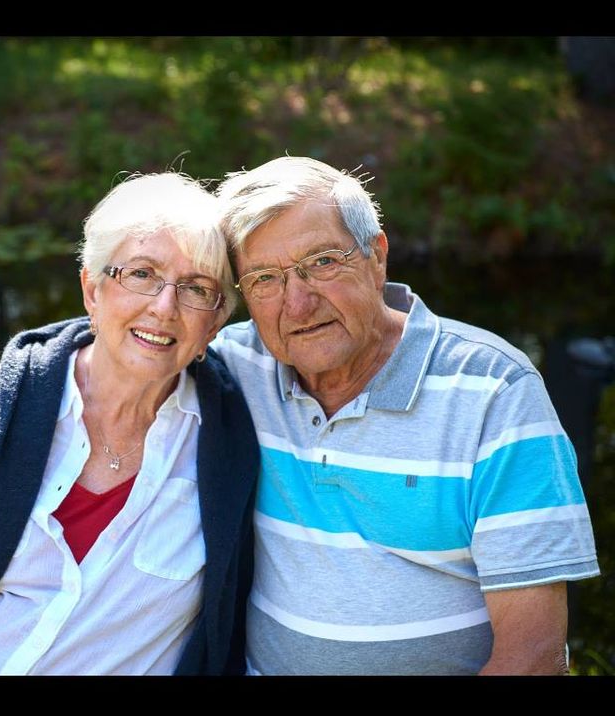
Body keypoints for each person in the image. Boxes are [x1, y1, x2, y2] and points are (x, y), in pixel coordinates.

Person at [0, 172, 259, 675]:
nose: (164, 307)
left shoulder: (234, 434)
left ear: (214, 322)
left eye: (197, 289)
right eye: (142, 274)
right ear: (92, 289)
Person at [211, 156, 600, 675]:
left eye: (323, 262)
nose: (297, 304)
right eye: (264, 279)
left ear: (377, 257)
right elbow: (134, 332)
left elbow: (533, 657)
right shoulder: (239, 366)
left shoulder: (493, 391)